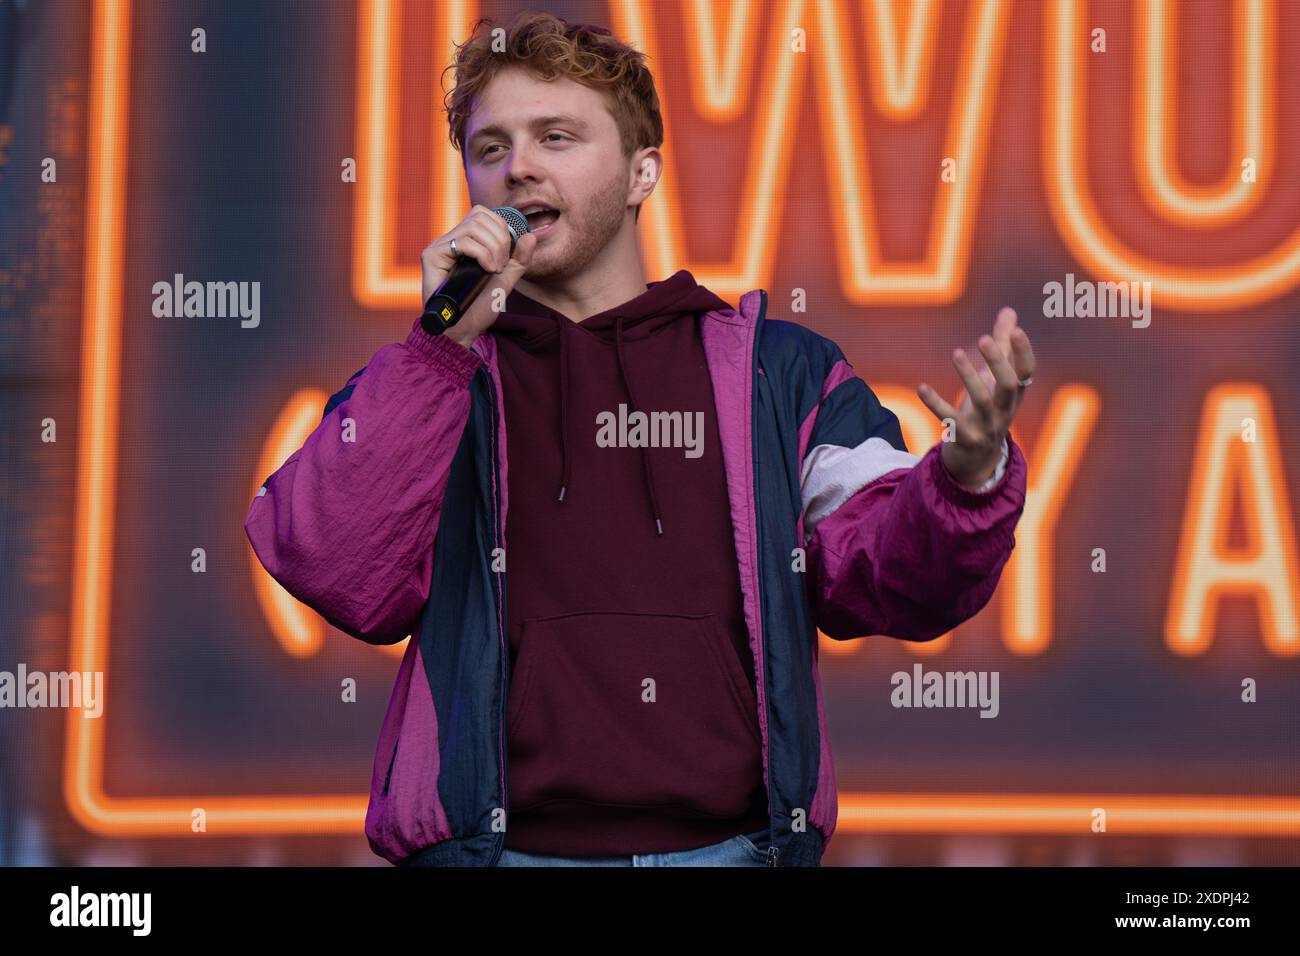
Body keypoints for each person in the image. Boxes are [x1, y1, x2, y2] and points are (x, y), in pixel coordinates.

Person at [243, 11, 1034, 868]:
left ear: (640, 172)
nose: (519, 169)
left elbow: (883, 575)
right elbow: (329, 564)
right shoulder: (437, 379)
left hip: (736, 851)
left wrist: (966, 476)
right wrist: (439, 347)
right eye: (491, 148)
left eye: (556, 137)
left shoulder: (778, 372)